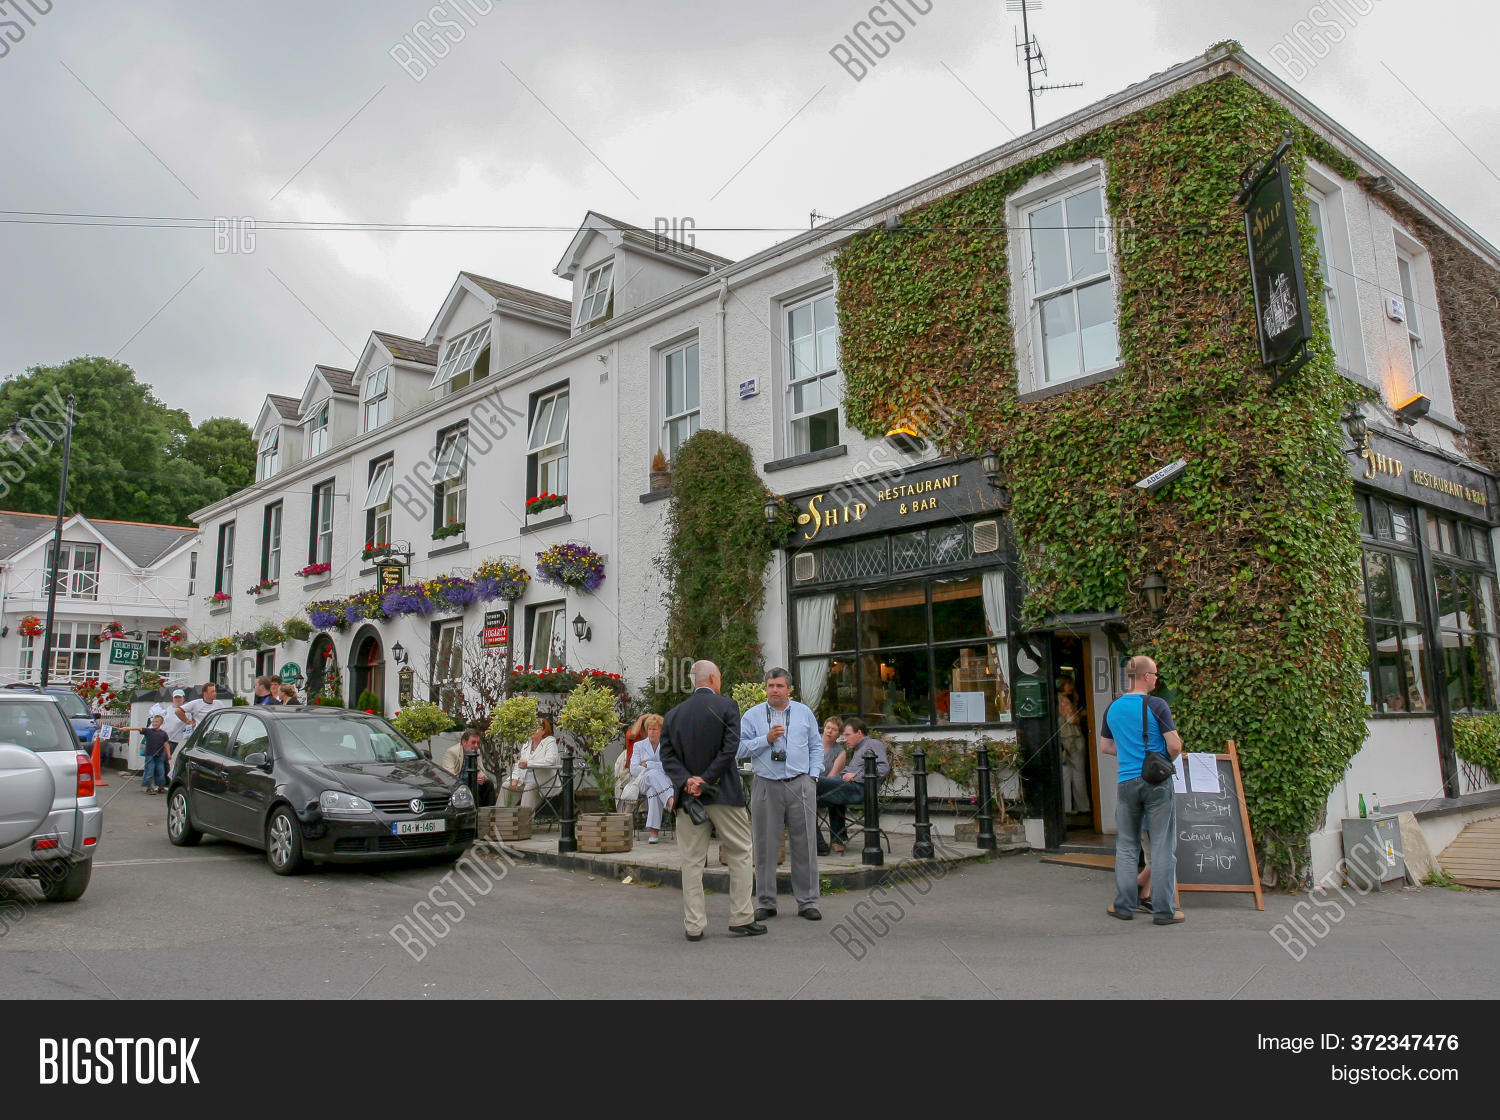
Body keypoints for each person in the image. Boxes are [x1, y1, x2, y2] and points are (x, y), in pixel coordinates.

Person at [659, 660, 760, 941]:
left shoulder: (674, 715)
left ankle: (694, 925)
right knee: (740, 853)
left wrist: (688, 781)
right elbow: (730, 749)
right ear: (714, 678)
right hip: (724, 792)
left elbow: (667, 757)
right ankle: (741, 917)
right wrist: (708, 778)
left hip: (688, 797)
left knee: (691, 862)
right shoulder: (728, 707)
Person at [1100, 655, 1186, 925]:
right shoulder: (1157, 705)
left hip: (1126, 782)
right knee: (1162, 847)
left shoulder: (1112, 708)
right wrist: (1159, 760)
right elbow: (1174, 746)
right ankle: (1163, 911)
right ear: (1146, 676)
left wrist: (1130, 754)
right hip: (1156, 784)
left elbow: (1106, 747)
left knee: (1127, 846)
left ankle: (1124, 906)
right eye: (1156, 674)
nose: (1157, 679)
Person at [737, 667, 823, 921]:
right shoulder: (752, 715)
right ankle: (766, 901)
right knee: (764, 845)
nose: (774, 690)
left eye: (779, 686)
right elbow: (738, 748)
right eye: (771, 686)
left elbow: (816, 746)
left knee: (805, 843)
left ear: (789, 689)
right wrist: (765, 738)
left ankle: (808, 901)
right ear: (766, 688)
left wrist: (813, 776)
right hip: (766, 784)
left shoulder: (804, 713)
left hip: (800, 783)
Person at [816, 717, 889, 854]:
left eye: (848, 735)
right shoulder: (858, 749)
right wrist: (845, 774)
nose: (845, 739)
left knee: (812, 781)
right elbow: (850, 770)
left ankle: (822, 843)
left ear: (859, 733)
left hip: (860, 790)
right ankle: (832, 840)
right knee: (804, 800)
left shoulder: (873, 743)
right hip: (849, 788)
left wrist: (856, 775)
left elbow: (883, 768)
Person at [628, 714, 675, 843]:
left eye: (654, 729)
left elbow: (670, 767)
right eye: (649, 729)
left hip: (660, 784)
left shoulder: (668, 745)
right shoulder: (639, 745)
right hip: (642, 781)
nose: (651, 732)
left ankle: (654, 833)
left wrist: (647, 764)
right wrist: (655, 766)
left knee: (653, 791)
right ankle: (671, 802)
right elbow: (633, 769)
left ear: (661, 730)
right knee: (653, 774)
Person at [503, 717, 560, 810]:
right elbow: (520, 764)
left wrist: (529, 763)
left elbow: (550, 760)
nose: (532, 730)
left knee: (530, 787)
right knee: (506, 785)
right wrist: (514, 778)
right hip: (524, 781)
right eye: (531, 728)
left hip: (542, 783)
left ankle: (524, 820)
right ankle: (500, 816)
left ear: (543, 731)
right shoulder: (527, 744)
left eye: (535, 728)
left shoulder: (550, 742)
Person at [1058, 676, 1091, 815]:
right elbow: (1072, 719)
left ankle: (1067, 807)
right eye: (1068, 685)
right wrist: (1083, 715)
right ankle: (1082, 806)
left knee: (1066, 772)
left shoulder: (1056, 699)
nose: (1071, 688)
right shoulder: (1064, 700)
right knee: (1078, 771)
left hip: (1063, 739)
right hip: (1073, 737)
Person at [442, 727, 496, 807]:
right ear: (464, 742)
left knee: (488, 784)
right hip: (457, 784)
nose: (476, 746)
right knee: (472, 786)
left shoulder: (476, 751)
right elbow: (450, 776)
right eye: (473, 742)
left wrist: (482, 777)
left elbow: (481, 769)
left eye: (478, 743)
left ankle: (488, 811)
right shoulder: (451, 752)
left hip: (472, 782)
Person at [121, 714, 171, 793]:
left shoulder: (163, 733)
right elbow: (138, 728)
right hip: (150, 755)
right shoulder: (148, 731)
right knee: (149, 771)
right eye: (153, 722)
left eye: (157, 722)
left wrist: (168, 754)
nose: (154, 723)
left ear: (161, 723)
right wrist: (127, 728)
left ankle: (160, 786)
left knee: (161, 771)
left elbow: (166, 744)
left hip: (160, 756)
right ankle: (147, 787)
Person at [159, 688, 195, 782]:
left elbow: (190, 724)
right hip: (163, 739)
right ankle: (164, 782)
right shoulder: (168, 709)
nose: (177, 699)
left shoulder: (187, 712)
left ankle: (163, 782)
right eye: (176, 697)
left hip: (174, 740)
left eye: (180, 697)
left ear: (184, 699)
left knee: (163, 759)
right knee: (163, 760)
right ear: (172, 699)